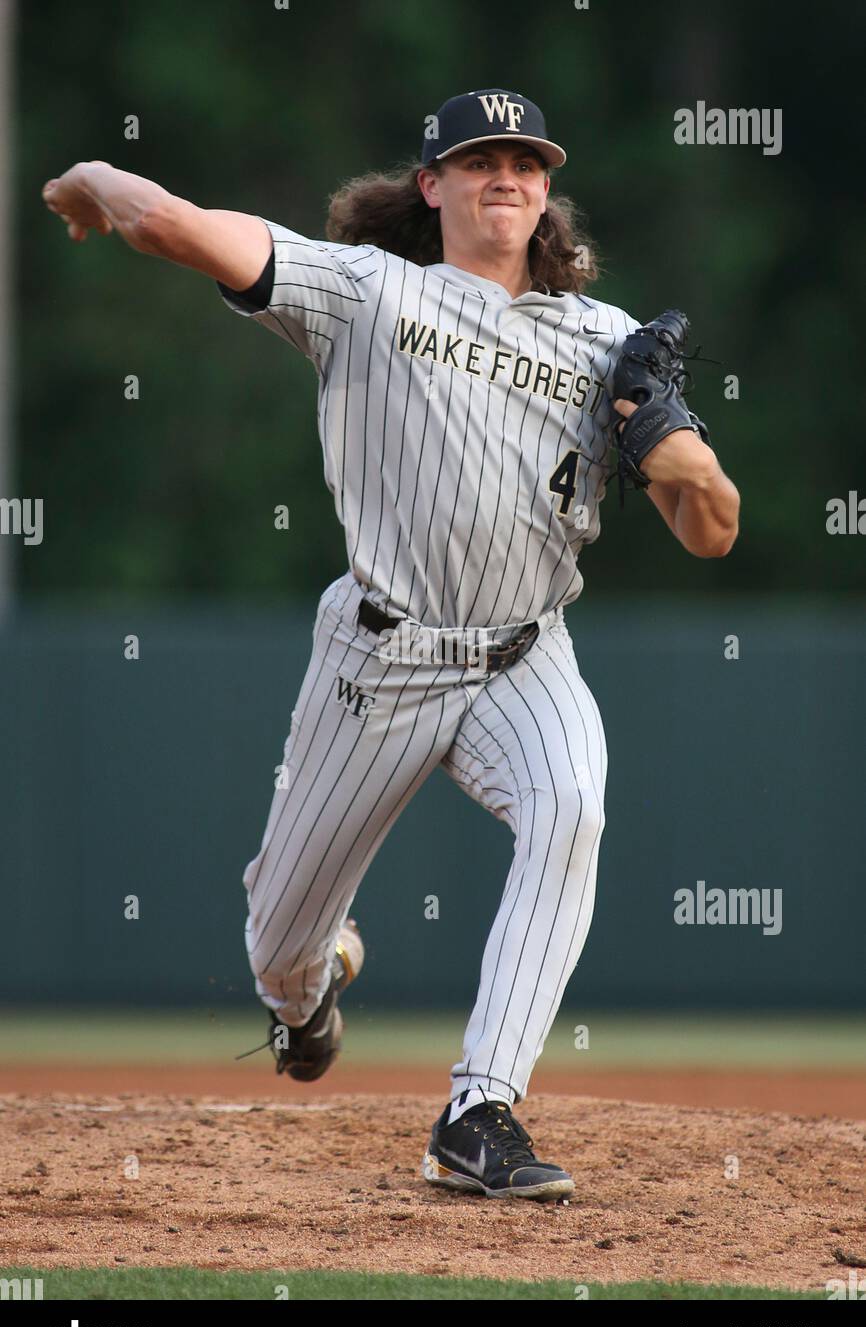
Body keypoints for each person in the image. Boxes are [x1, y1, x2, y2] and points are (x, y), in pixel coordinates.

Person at [43, 88, 739, 1201]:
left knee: (572, 809)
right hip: (382, 658)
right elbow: (174, 222)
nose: (503, 174)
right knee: (278, 947)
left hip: (525, 650)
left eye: (524, 160)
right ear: (431, 185)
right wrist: (94, 181)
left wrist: (676, 452)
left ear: (546, 188)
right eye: (476, 159)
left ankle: (478, 1112)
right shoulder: (367, 291)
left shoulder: (608, 344)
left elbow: (712, 532)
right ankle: (306, 995)